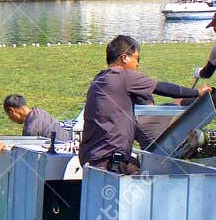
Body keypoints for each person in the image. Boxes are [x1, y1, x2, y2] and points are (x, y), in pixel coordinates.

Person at [79, 35, 206, 173]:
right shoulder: (123, 76)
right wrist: (196, 93)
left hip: (90, 157)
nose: (138, 64)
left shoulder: (99, 79)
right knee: (151, 181)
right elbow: (162, 88)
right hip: (109, 160)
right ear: (124, 57)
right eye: (137, 59)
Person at [2, 94, 72, 145]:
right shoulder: (40, 112)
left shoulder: (31, 129)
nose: (10, 118)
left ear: (12, 111)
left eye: (9, 115)